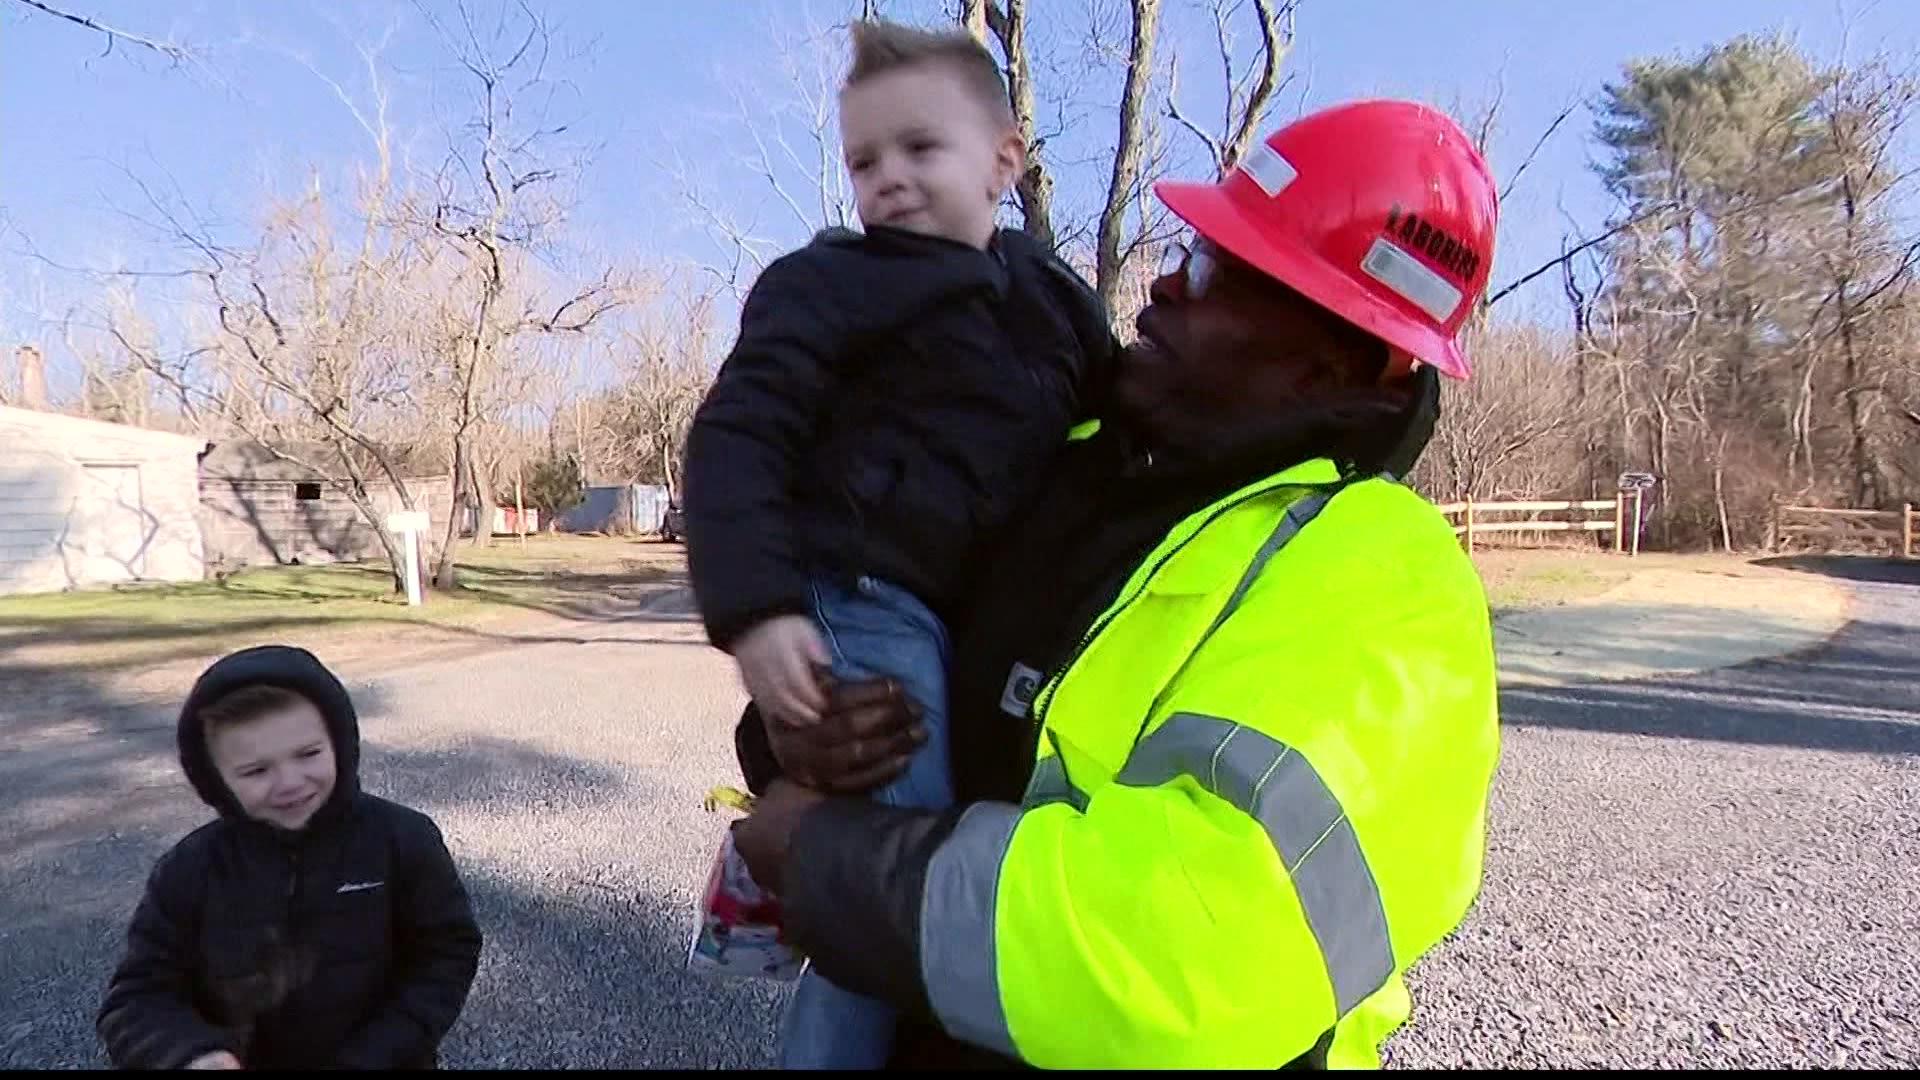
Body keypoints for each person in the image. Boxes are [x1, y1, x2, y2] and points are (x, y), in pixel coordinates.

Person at [730, 97, 1503, 1069]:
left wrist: (828, 864)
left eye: (1214, 269)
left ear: (1331, 362)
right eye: (1189, 249)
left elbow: (1185, 954)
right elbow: (897, 650)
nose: (1165, 284)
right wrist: (798, 727)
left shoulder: (1387, 580)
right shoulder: (1072, 464)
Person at [680, 16, 1110, 1071]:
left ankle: (772, 865)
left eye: (921, 148)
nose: (890, 181)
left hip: (964, 610)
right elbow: (739, 433)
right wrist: (758, 612)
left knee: (974, 823)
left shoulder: (1056, 305)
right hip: (860, 589)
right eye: (865, 162)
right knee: (894, 872)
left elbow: (1116, 427)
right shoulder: (830, 284)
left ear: (1004, 160)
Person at [96, 645, 483, 1070]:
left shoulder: (402, 839)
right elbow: (138, 997)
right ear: (214, 777)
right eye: (256, 771)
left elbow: (446, 955)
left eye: (308, 754)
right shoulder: (189, 869)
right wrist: (191, 1054)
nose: (289, 782)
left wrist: (380, 1052)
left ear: (339, 742)